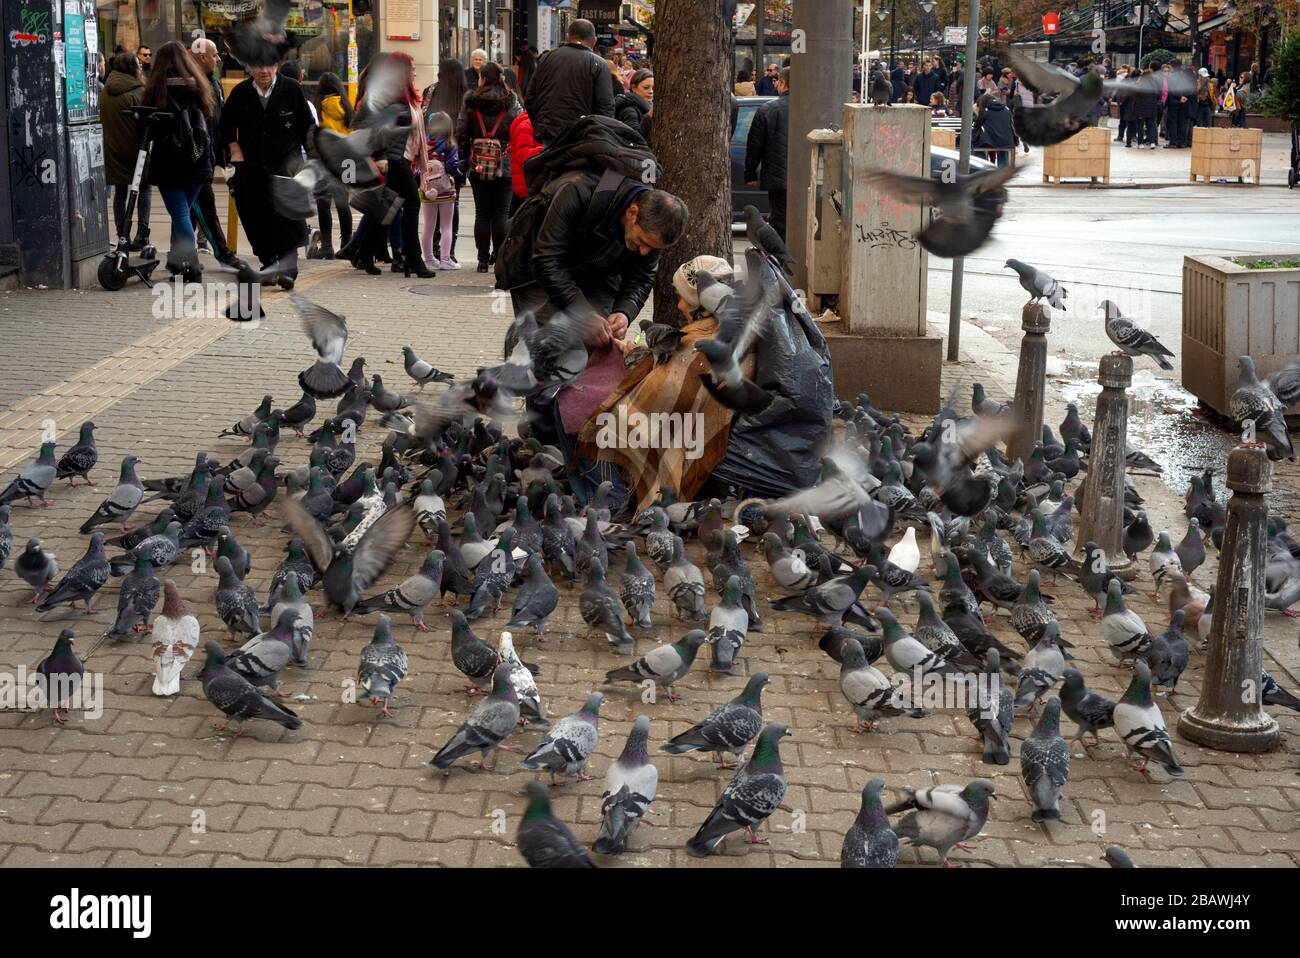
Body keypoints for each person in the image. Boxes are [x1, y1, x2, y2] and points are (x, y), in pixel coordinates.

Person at [497, 174, 688, 467]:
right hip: (539, 271)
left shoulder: (650, 232)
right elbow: (547, 259)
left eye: (652, 249)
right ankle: (544, 438)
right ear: (632, 213)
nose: (644, 251)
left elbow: (641, 277)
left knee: (593, 345)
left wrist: (624, 312)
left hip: (597, 273)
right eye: (641, 242)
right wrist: (581, 314)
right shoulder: (576, 192)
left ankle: (571, 432)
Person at [220, 45, 315, 288]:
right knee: (255, 218)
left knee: (288, 220)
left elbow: (308, 127)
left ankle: (288, 269)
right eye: (258, 66)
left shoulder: (291, 89)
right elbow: (225, 125)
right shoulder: (241, 93)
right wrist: (233, 147)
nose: (264, 70)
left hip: (287, 165)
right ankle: (268, 261)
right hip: (252, 168)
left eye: (269, 65)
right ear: (250, 68)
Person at [141, 41, 213, 282]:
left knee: (180, 214)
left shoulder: (157, 89)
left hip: (169, 161)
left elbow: (146, 127)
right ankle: (177, 264)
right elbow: (210, 120)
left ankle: (191, 267)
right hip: (197, 158)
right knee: (181, 213)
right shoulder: (199, 86)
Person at [362, 52, 431, 277]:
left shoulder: (404, 95)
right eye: (410, 68)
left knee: (389, 208)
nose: (413, 71)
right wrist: (380, 157)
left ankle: (363, 251)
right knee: (411, 204)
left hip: (402, 158)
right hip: (395, 159)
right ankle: (413, 259)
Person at [459, 61, 519, 273]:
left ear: (482, 78)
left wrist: (465, 156)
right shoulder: (511, 101)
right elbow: (519, 128)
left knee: (482, 213)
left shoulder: (471, 101)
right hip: (505, 163)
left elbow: (461, 132)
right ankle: (500, 257)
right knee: (501, 213)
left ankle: (482, 259)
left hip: (478, 165)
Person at [525, 19, 615, 145]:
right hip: (582, 136)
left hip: (550, 133)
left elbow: (530, 98)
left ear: (567, 37)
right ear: (594, 40)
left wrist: (541, 125)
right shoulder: (599, 64)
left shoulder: (546, 59)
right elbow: (605, 107)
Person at [100, 52, 152, 251]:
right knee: (144, 187)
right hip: (137, 150)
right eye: (138, 64)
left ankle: (122, 235)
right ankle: (142, 235)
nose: (140, 67)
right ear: (132, 68)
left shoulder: (106, 90)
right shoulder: (138, 91)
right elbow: (147, 121)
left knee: (120, 192)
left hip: (112, 149)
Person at [425, 56, 470, 265]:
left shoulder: (431, 91)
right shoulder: (465, 96)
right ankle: (448, 253)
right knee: (453, 204)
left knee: (430, 208)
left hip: (431, 157)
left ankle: (431, 253)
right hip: (454, 157)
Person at [311, 72, 353, 259]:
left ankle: (327, 246)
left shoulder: (318, 108)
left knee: (323, 204)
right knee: (343, 204)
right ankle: (347, 244)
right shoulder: (347, 108)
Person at [744, 66, 789, 240]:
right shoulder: (810, 109)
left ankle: (780, 262)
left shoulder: (767, 110)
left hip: (778, 178)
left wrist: (750, 174)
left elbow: (754, 145)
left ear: (783, 83)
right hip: (806, 180)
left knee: (779, 222)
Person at [420, 111, 461, 270]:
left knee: (428, 226)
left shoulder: (424, 144)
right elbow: (452, 168)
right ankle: (445, 259)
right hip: (446, 190)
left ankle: (429, 259)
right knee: (446, 226)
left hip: (427, 189)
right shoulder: (450, 145)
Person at [507, 106, 542, 213]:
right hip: (527, 186)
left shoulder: (534, 123)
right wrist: (545, 150)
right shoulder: (525, 125)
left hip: (532, 184)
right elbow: (523, 155)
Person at [972, 92, 1016, 166]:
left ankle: (982, 168)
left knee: (976, 145)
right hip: (1007, 143)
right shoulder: (1007, 109)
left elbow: (977, 125)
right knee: (1003, 146)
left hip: (991, 143)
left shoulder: (985, 111)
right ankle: (1002, 170)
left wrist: (977, 112)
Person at [614, 68, 653, 138]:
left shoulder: (649, 104)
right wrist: (649, 117)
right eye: (646, 87)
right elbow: (634, 137)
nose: (651, 91)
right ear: (634, 88)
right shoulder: (628, 109)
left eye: (653, 88)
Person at [1127, 66, 1159, 148]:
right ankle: (1152, 142)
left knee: (1140, 126)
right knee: (1151, 126)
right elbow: (1158, 96)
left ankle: (1141, 143)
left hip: (1140, 109)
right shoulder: (1155, 85)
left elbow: (1133, 94)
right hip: (1152, 109)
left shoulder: (1139, 84)